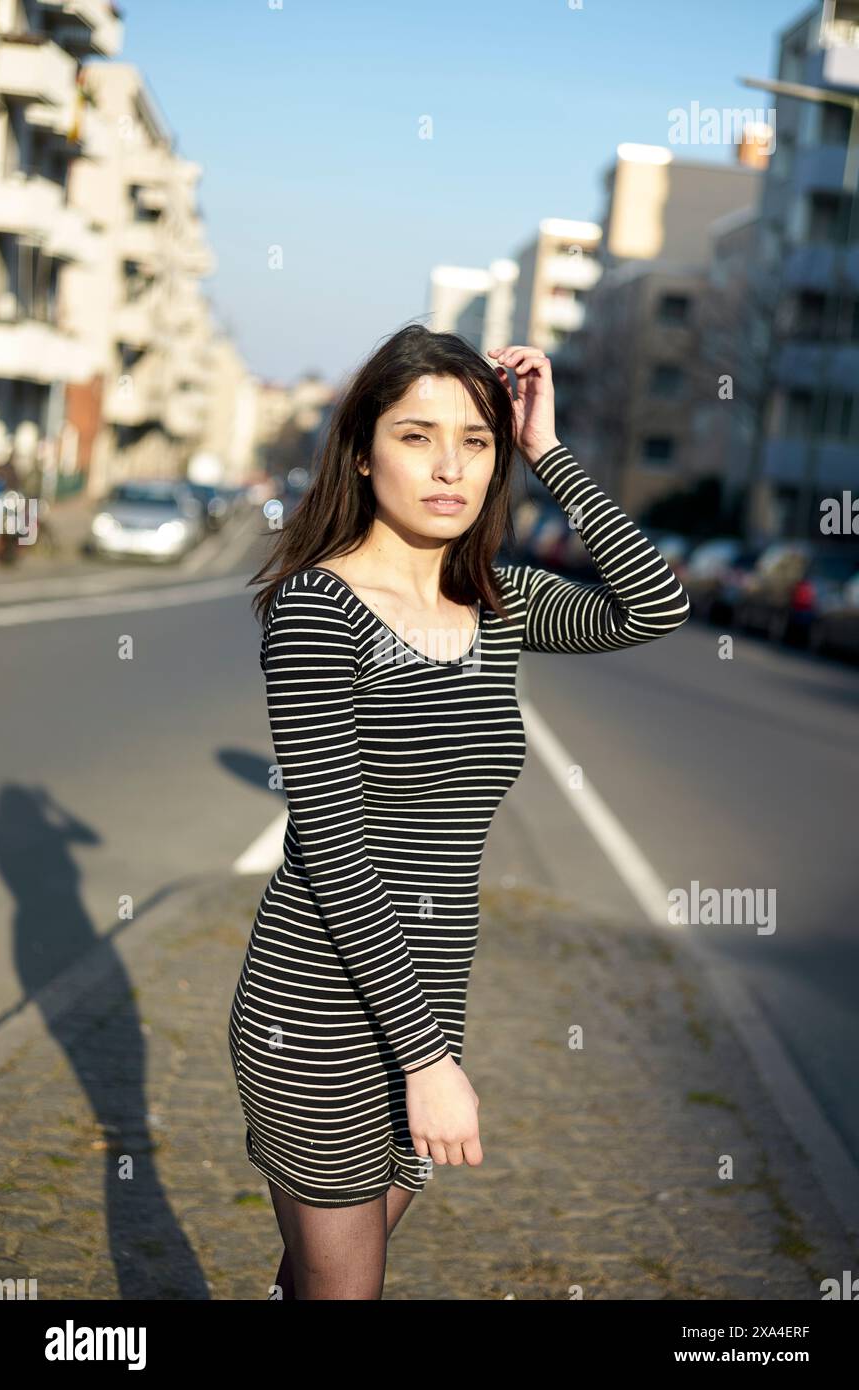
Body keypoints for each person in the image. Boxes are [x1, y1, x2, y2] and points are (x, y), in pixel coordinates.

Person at [228, 324, 690, 1299]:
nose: (449, 465)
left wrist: (547, 450)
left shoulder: (498, 600)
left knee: (316, 1276)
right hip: (318, 1008)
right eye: (416, 435)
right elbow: (335, 852)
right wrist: (429, 1061)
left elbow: (655, 604)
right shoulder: (320, 610)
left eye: (474, 439)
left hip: (428, 995)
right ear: (362, 449)